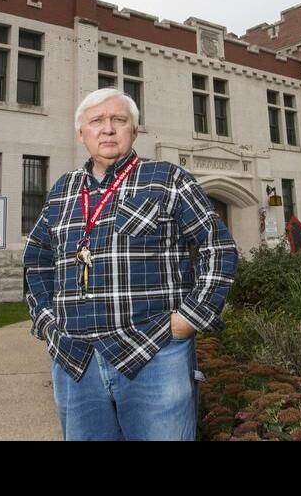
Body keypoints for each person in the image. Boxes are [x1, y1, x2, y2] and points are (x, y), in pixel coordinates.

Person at [23, 88, 239, 441]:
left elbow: (218, 247)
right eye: (96, 121)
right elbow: (37, 262)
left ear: (133, 131)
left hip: (153, 354)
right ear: (82, 133)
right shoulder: (63, 190)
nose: (107, 129)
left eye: (118, 120)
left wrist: (189, 319)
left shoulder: (167, 179)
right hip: (75, 360)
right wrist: (48, 323)